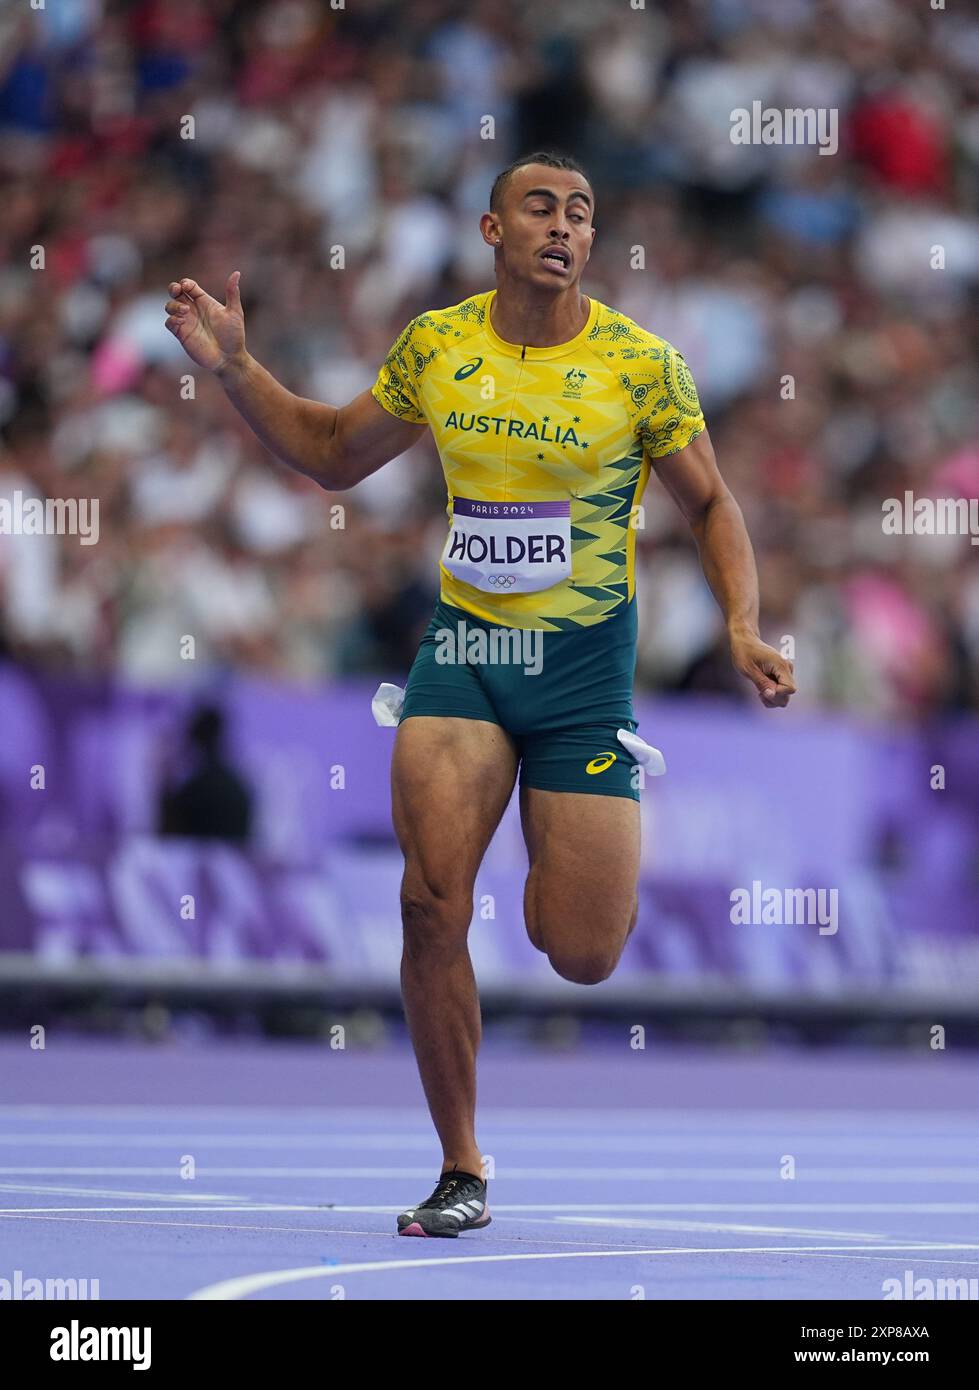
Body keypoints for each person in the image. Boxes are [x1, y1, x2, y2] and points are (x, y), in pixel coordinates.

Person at [163, 151, 796, 1239]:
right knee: (428, 903)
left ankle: (562, 854)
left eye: (581, 213)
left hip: (583, 678)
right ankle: (461, 1164)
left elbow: (711, 505)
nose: (563, 226)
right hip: (463, 655)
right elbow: (332, 453)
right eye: (540, 207)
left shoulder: (642, 366)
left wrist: (740, 621)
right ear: (493, 229)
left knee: (582, 950)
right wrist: (237, 369)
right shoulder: (439, 345)